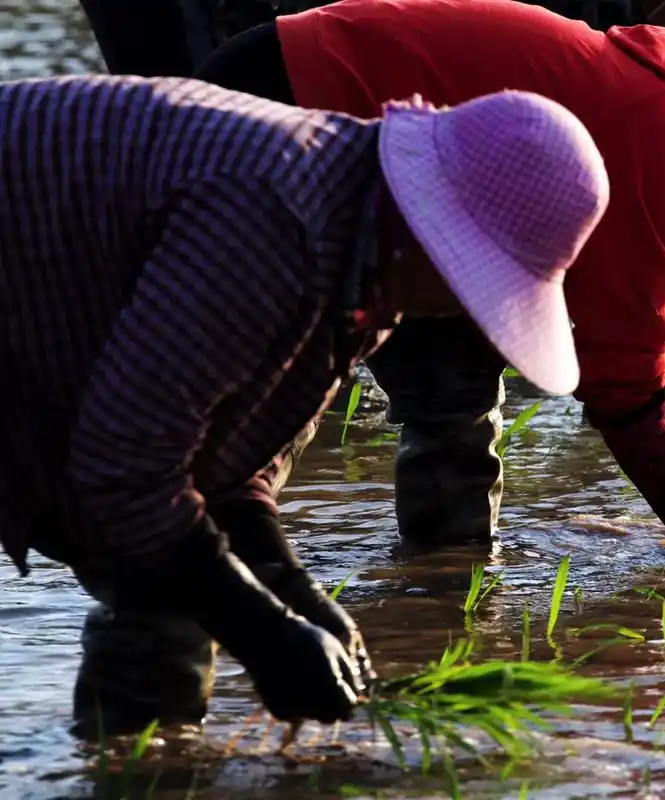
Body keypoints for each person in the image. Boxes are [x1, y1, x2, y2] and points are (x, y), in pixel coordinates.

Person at [0, 75, 610, 737]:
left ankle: (141, 769)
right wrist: (264, 634)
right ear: (433, 227)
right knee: (167, 572)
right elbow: (123, 469)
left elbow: (223, 471)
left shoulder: (365, 268)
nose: (473, 309)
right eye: (480, 281)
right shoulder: (271, 227)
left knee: (172, 581)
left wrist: (295, 596)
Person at [191, 0, 665, 563]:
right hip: (296, 111)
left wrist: (655, 391)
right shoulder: (663, 139)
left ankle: (433, 595)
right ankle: (241, 573)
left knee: (452, 382)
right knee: (291, 400)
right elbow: (620, 393)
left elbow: (606, 351)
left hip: (318, 101)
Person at [76, 0, 665, 369]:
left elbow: (614, 290)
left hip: (360, 137)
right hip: (305, 109)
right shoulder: (658, 110)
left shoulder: (659, 89)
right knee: (435, 379)